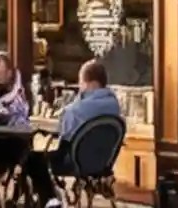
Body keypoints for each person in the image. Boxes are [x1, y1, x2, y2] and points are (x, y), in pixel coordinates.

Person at [26, 59, 123, 208]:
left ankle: (49, 200)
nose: (79, 87)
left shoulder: (75, 111)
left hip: (74, 162)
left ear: (90, 84)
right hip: (102, 163)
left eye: (81, 82)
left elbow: (65, 138)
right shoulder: (114, 106)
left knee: (32, 158)